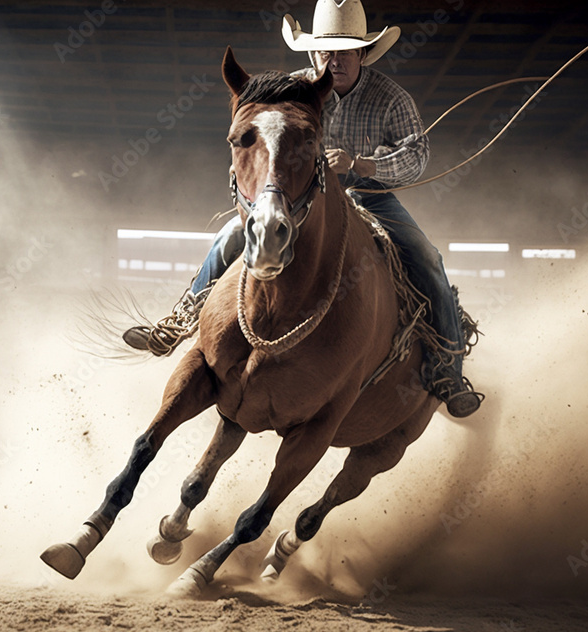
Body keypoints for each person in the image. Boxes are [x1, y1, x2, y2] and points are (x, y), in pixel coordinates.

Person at [123, 0, 482, 418]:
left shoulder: (390, 98)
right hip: (299, 197)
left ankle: (447, 369)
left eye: (345, 51)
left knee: (426, 256)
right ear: (313, 54)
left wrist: (361, 164)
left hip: (370, 195)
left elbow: (416, 156)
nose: (334, 60)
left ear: (362, 54)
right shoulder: (292, 91)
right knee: (229, 237)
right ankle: (183, 318)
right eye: (326, 51)